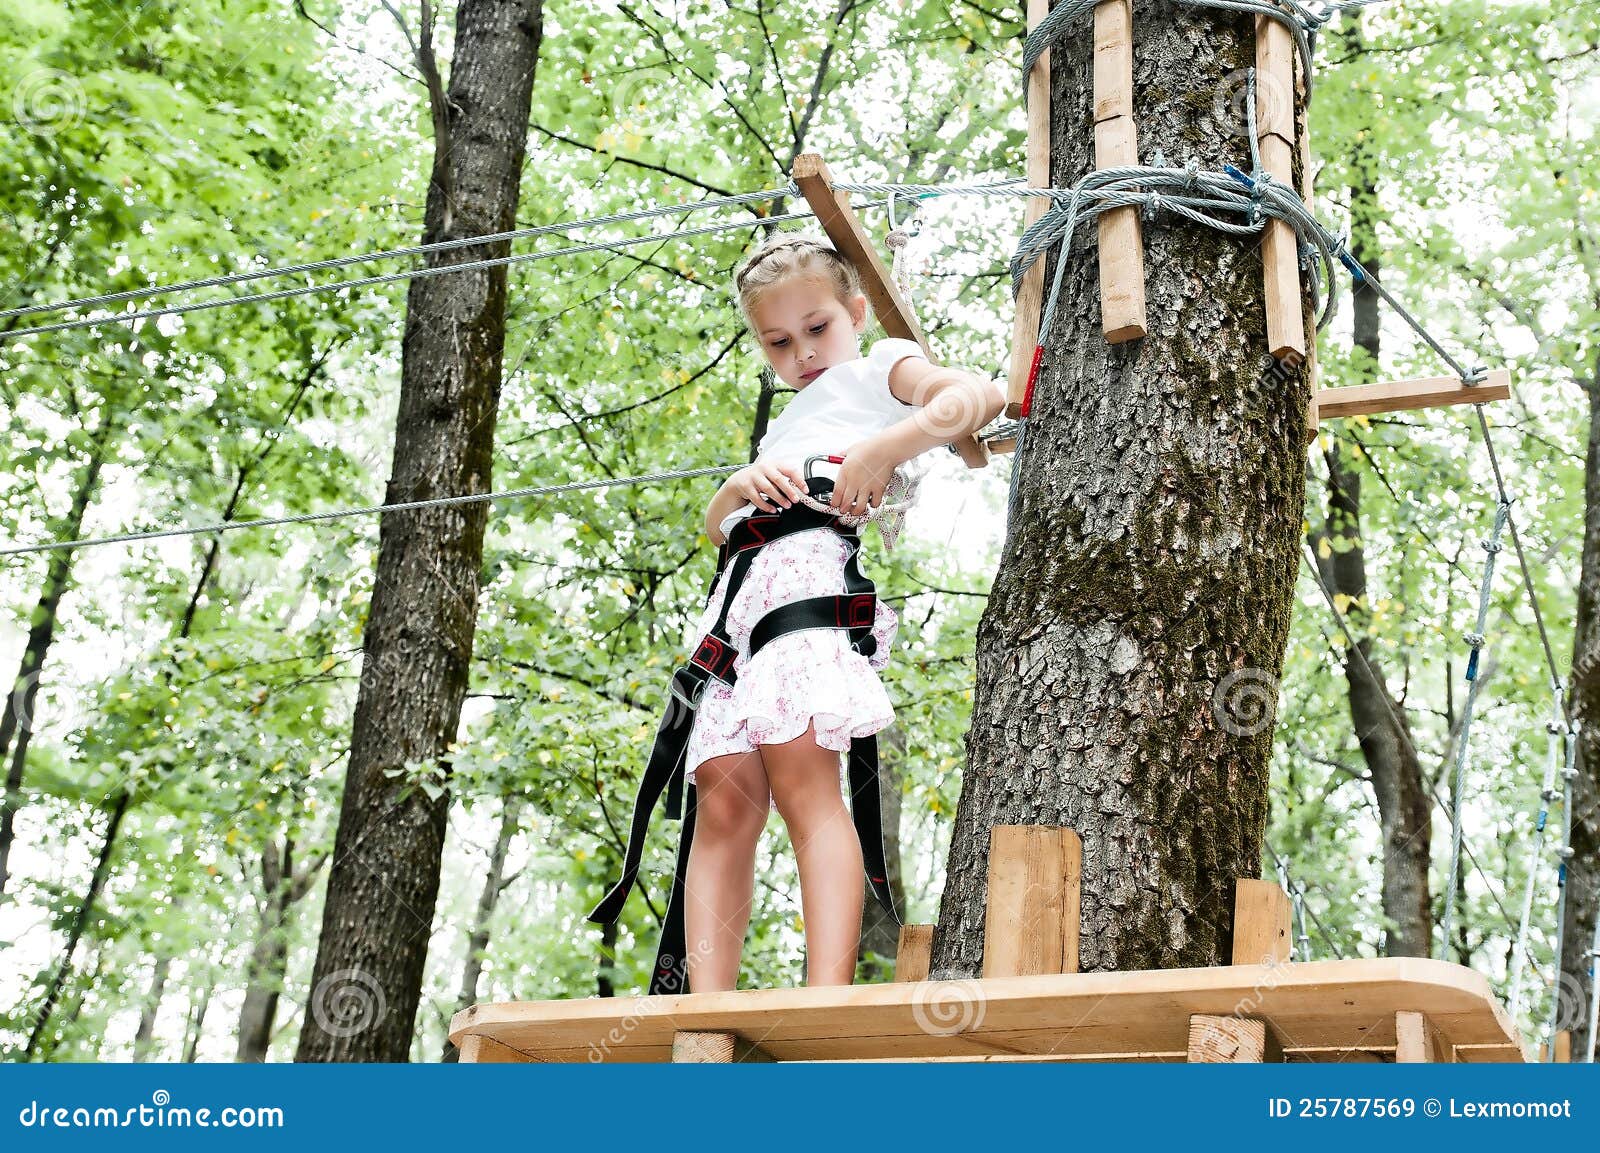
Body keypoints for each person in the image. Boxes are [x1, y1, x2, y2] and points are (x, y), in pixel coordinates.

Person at [587, 230, 1003, 995]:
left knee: (805, 782)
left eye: (818, 328)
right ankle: (703, 1011)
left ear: (854, 313)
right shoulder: (785, 425)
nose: (803, 353)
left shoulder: (876, 372)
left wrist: (882, 451)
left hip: (806, 586)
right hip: (734, 609)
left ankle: (825, 997)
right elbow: (717, 525)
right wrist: (740, 482)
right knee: (720, 800)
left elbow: (978, 396)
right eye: (778, 342)